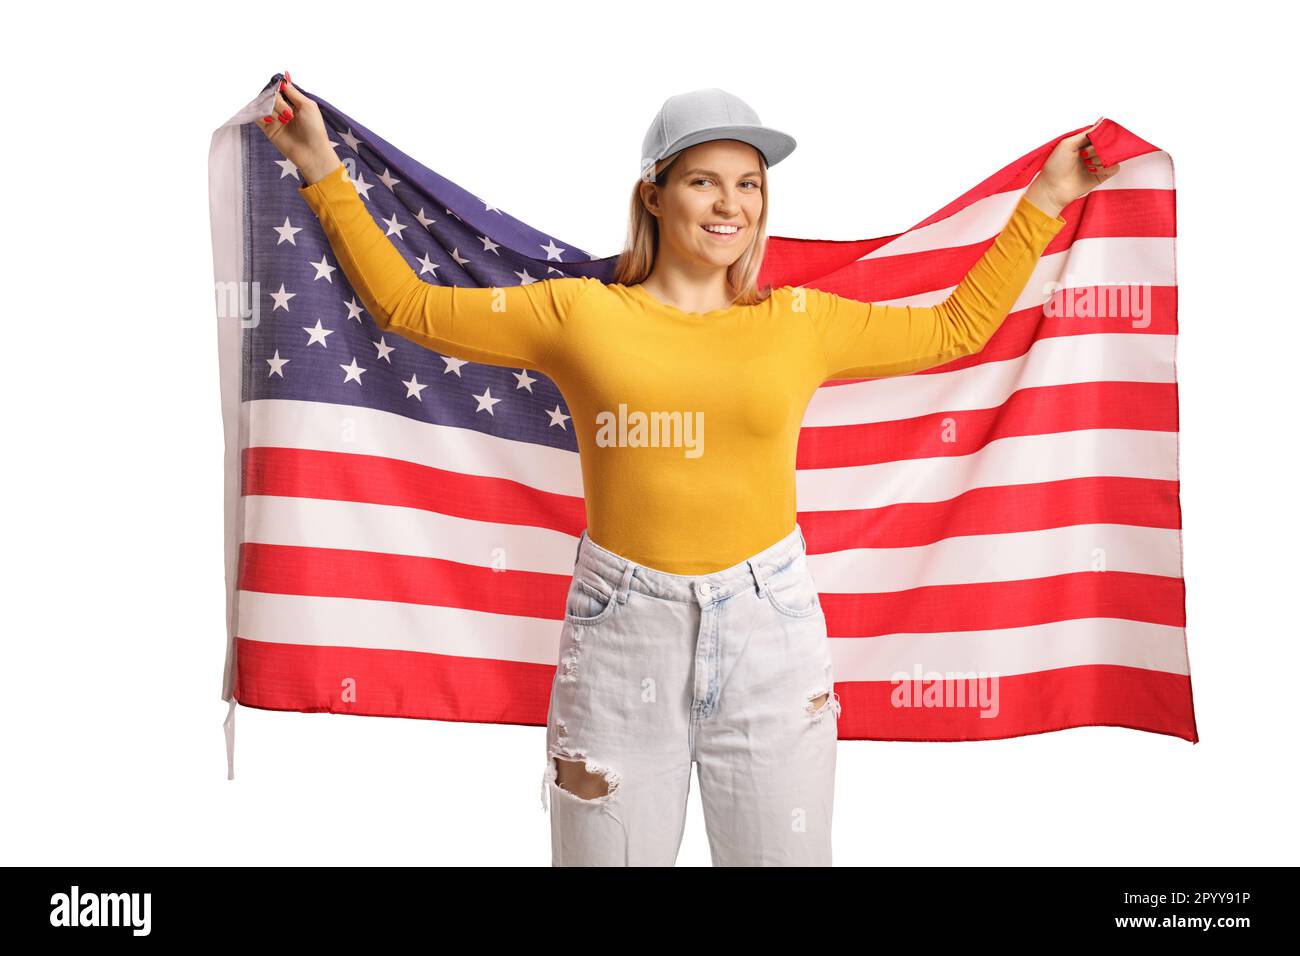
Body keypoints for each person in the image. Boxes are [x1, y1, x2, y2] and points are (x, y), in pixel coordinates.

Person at [259, 75, 1117, 866]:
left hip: (771, 634)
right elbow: (409, 307)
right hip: (619, 630)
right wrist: (322, 169)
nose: (730, 204)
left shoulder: (800, 324)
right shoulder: (580, 313)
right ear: (656, 192)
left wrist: (1047, 198)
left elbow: (954, 330)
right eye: (705, 180)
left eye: (749, 185)